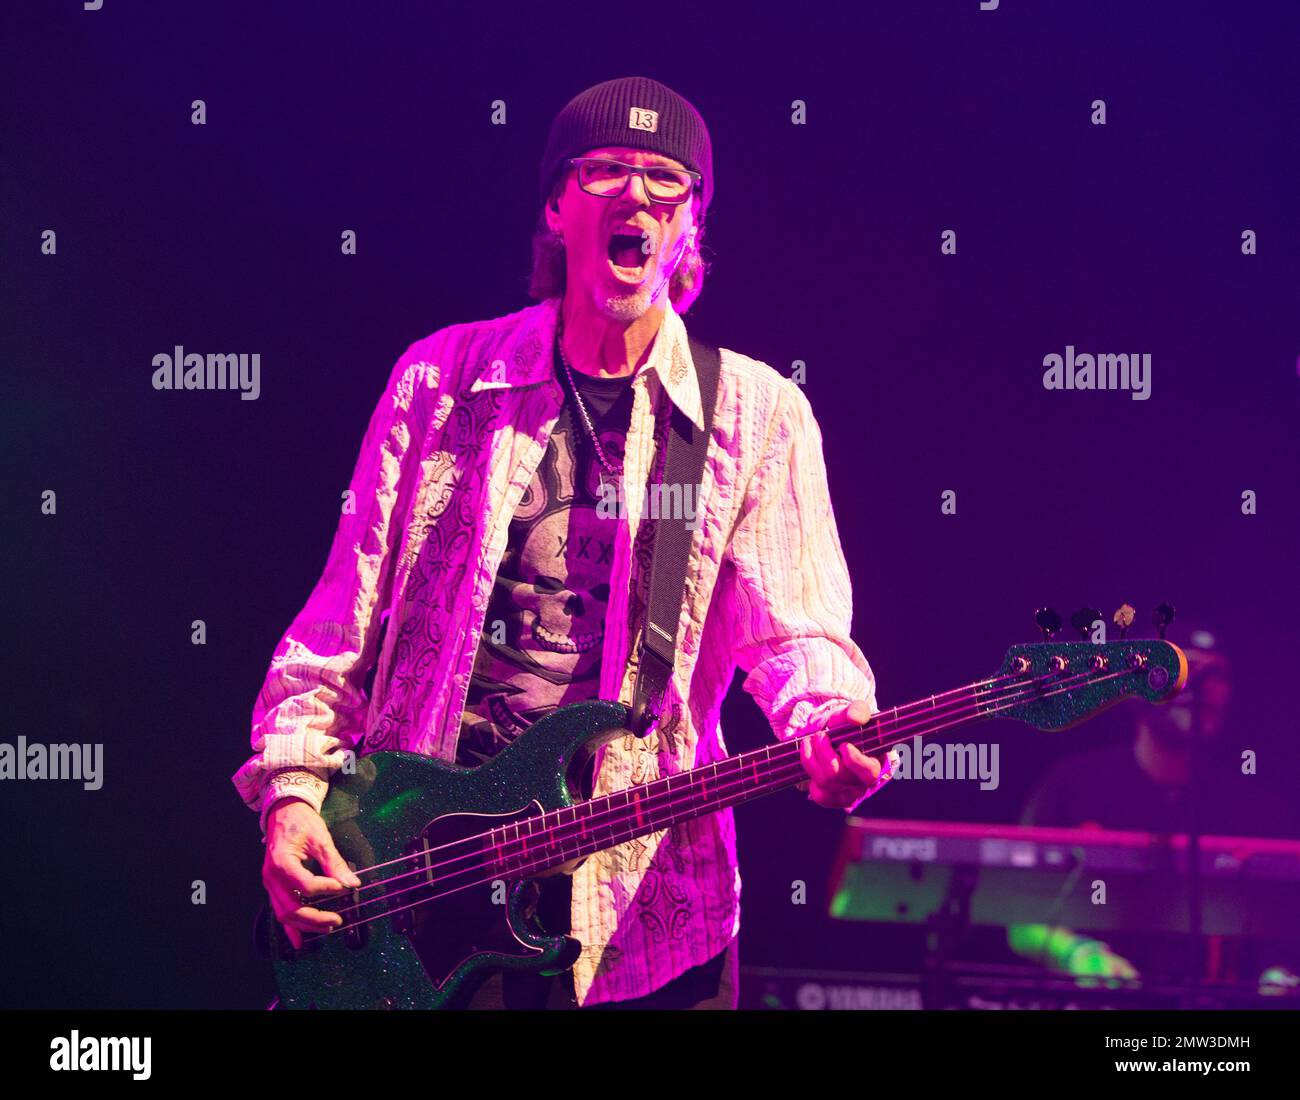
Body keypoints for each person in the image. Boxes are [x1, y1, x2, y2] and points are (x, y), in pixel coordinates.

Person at [232, 76, 896, 1009]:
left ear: (690, 225)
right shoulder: (443, 380)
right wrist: (294, 791)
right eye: (605, 172)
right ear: (554, 206)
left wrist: (830, 725)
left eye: (666, 181)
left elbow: (798, 638)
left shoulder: (755, 416)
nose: (636, 195)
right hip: (416, 887)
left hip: (640, 910)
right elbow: (343, 620)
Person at [1007, 628, 1299, 993]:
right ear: (1139, 686)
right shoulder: (1071, 784)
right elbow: (1019, 918)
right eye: (1187, 669)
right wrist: (1076, 955)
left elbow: (1277, 925)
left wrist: (1276, 976)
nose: (1202, 687)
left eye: (1217, 675)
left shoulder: (1250, 804)